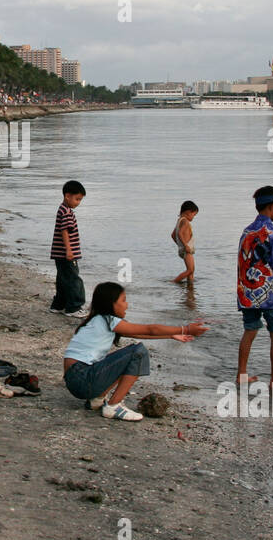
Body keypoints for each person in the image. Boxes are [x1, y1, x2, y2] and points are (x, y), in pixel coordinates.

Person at [63, 282, 208, 422]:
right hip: (82, 378)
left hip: (77, 379)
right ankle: (113, 406)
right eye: (124, 300)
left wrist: (171, 335)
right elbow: (149, 329)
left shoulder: (98, 320)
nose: (127, 305)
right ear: (111, 304)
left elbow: (138, 334)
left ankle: (97, 400)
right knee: (138, 353)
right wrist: (186, 329)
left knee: (126, 356)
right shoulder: (109, 320)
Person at [235, 186, 273, 388]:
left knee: (249, 331)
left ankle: (241, 375)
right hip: (269, 293)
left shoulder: (246, 231)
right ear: (271, 207)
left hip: (246, 293)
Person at [50, 180, 87, 318]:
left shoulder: (62, 209)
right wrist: (69, 250)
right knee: (73, 279)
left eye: (80, 200)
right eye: (77, 199)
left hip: (59, 253)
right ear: (67, 196)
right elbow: (64, 231)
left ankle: (59, 305)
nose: (78, 202)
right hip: (66, 253)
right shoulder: (66, 211)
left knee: (62, 279)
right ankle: (74, 307)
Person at [172, 200, 198, 283]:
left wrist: (180, 245)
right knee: (190, 270)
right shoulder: (185, 222)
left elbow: (173, 235)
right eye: (194, 215)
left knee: (191, 271)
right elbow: (179, 233)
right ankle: (174, 282)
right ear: (188, 212)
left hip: (184, 249)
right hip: (187, 250)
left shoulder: (179, 221)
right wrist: (185, 245)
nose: (193, 217)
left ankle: (190, 287)